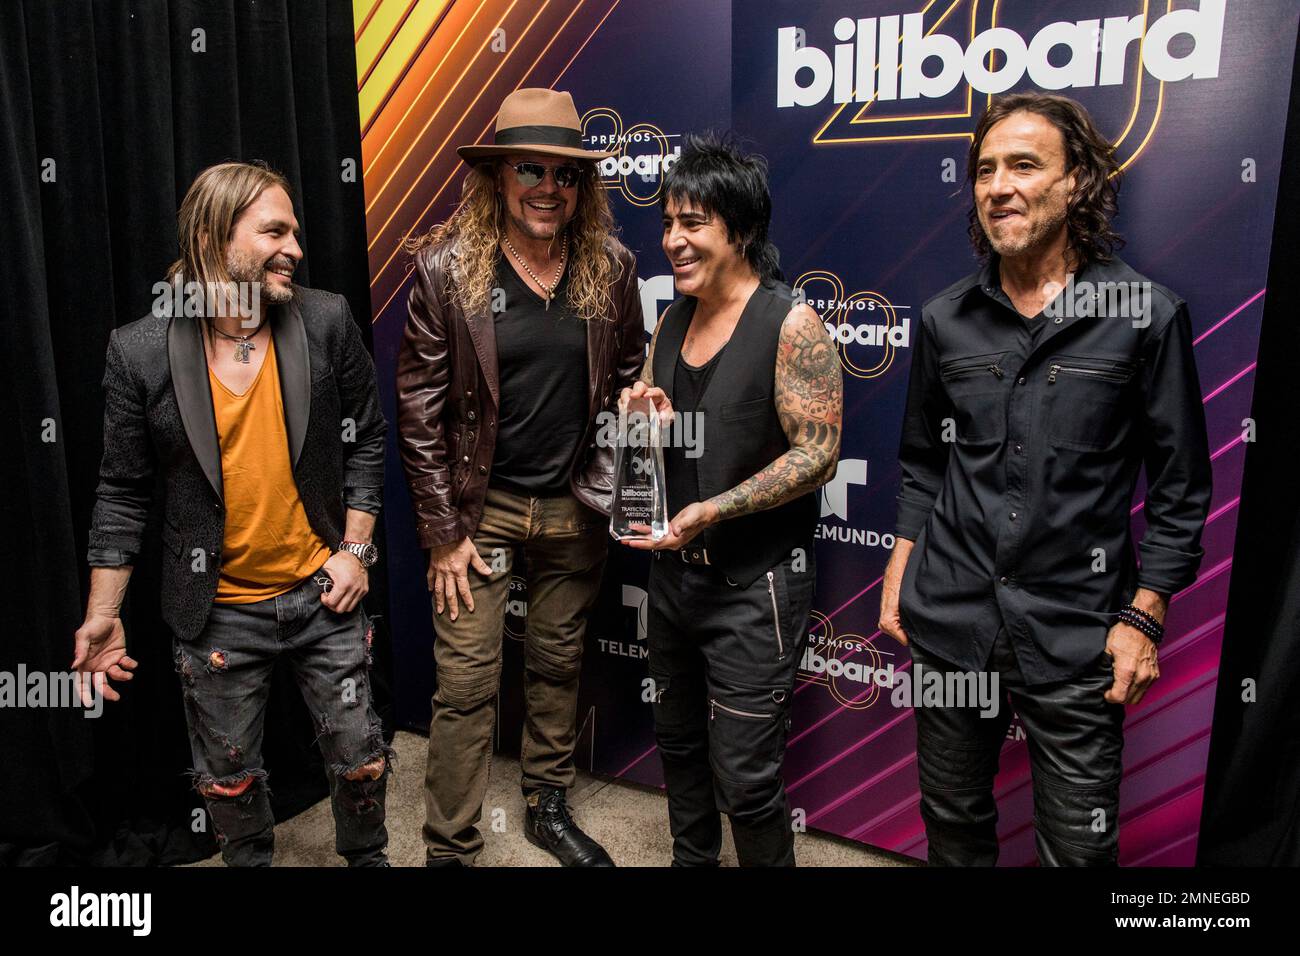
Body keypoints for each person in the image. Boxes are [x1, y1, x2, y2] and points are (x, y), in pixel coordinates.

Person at [879, 93, 1213, 865]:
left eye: (1025, 166)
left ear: (1077, 184)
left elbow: (1181, 488)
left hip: (1076, 636)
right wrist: (901, 567)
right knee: (954, 826)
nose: (1000, 186)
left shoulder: (1145, 316)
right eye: (986, 170)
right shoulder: (944, 318)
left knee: (1079, 851)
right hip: (952, 625)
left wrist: (1145, 617)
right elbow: (925, 460)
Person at [74, 161, 391, 866]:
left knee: (361, 763)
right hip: (214, 612)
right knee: (230, 782)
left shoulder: (325, 318)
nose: (296, 249)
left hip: (324, 595)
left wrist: (357, 549)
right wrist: (104, 612)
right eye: (274, 231)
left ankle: (369, 860)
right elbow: (121, 490)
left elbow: (368, 435)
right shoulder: (141, 351)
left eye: (297, 233)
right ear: (216, 237)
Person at [397, 88, 645, 867]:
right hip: (482, 512)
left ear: (584, 188)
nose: (549, 188)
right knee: (467, 684)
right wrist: (442, 535)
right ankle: (450, 845)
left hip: (574, 506)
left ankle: (546, 806)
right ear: (498, 177)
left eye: (565, 176)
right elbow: (419, 411)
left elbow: (631, 374)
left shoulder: (612, 268)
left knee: (556, 664)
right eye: (530, 170)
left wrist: (608, 475)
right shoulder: (448, 271)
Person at [621, 134, 842, 866]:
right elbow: (659, 437)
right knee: (679, 750)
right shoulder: (671, 318)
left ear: (740, 229)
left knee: (746, 779)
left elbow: (817, 454)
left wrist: (715, 509)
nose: (673, 241)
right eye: (668, 223)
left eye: (693, 224)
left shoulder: (792, 324)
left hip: (755, 585)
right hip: (674, 577)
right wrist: (641, 419)